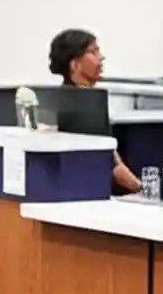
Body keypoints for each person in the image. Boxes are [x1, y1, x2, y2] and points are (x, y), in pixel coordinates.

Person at [48, 29, 141, 193]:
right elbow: (111, 165)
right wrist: (144, 189)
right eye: (93, 52)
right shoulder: (82, 104)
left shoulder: (70, 98)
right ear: (74, 64)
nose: (101, 57)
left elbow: (112, 155)